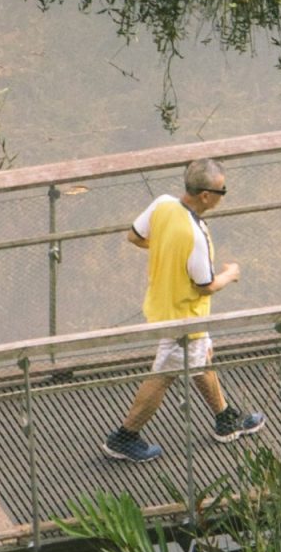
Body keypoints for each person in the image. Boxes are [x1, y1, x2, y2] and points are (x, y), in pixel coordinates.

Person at [103, 157, 266, 464]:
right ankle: (124, 437)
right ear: (206, 196)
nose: (223, 195)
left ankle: (225, 419)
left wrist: (165, 248)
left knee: (200, 358)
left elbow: (135, 236)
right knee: (164, 375)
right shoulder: (196, 236)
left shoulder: (163, 204)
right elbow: (205, 285)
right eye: (222, 190)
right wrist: (230, 274)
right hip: (183, 317)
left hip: (161, 304)